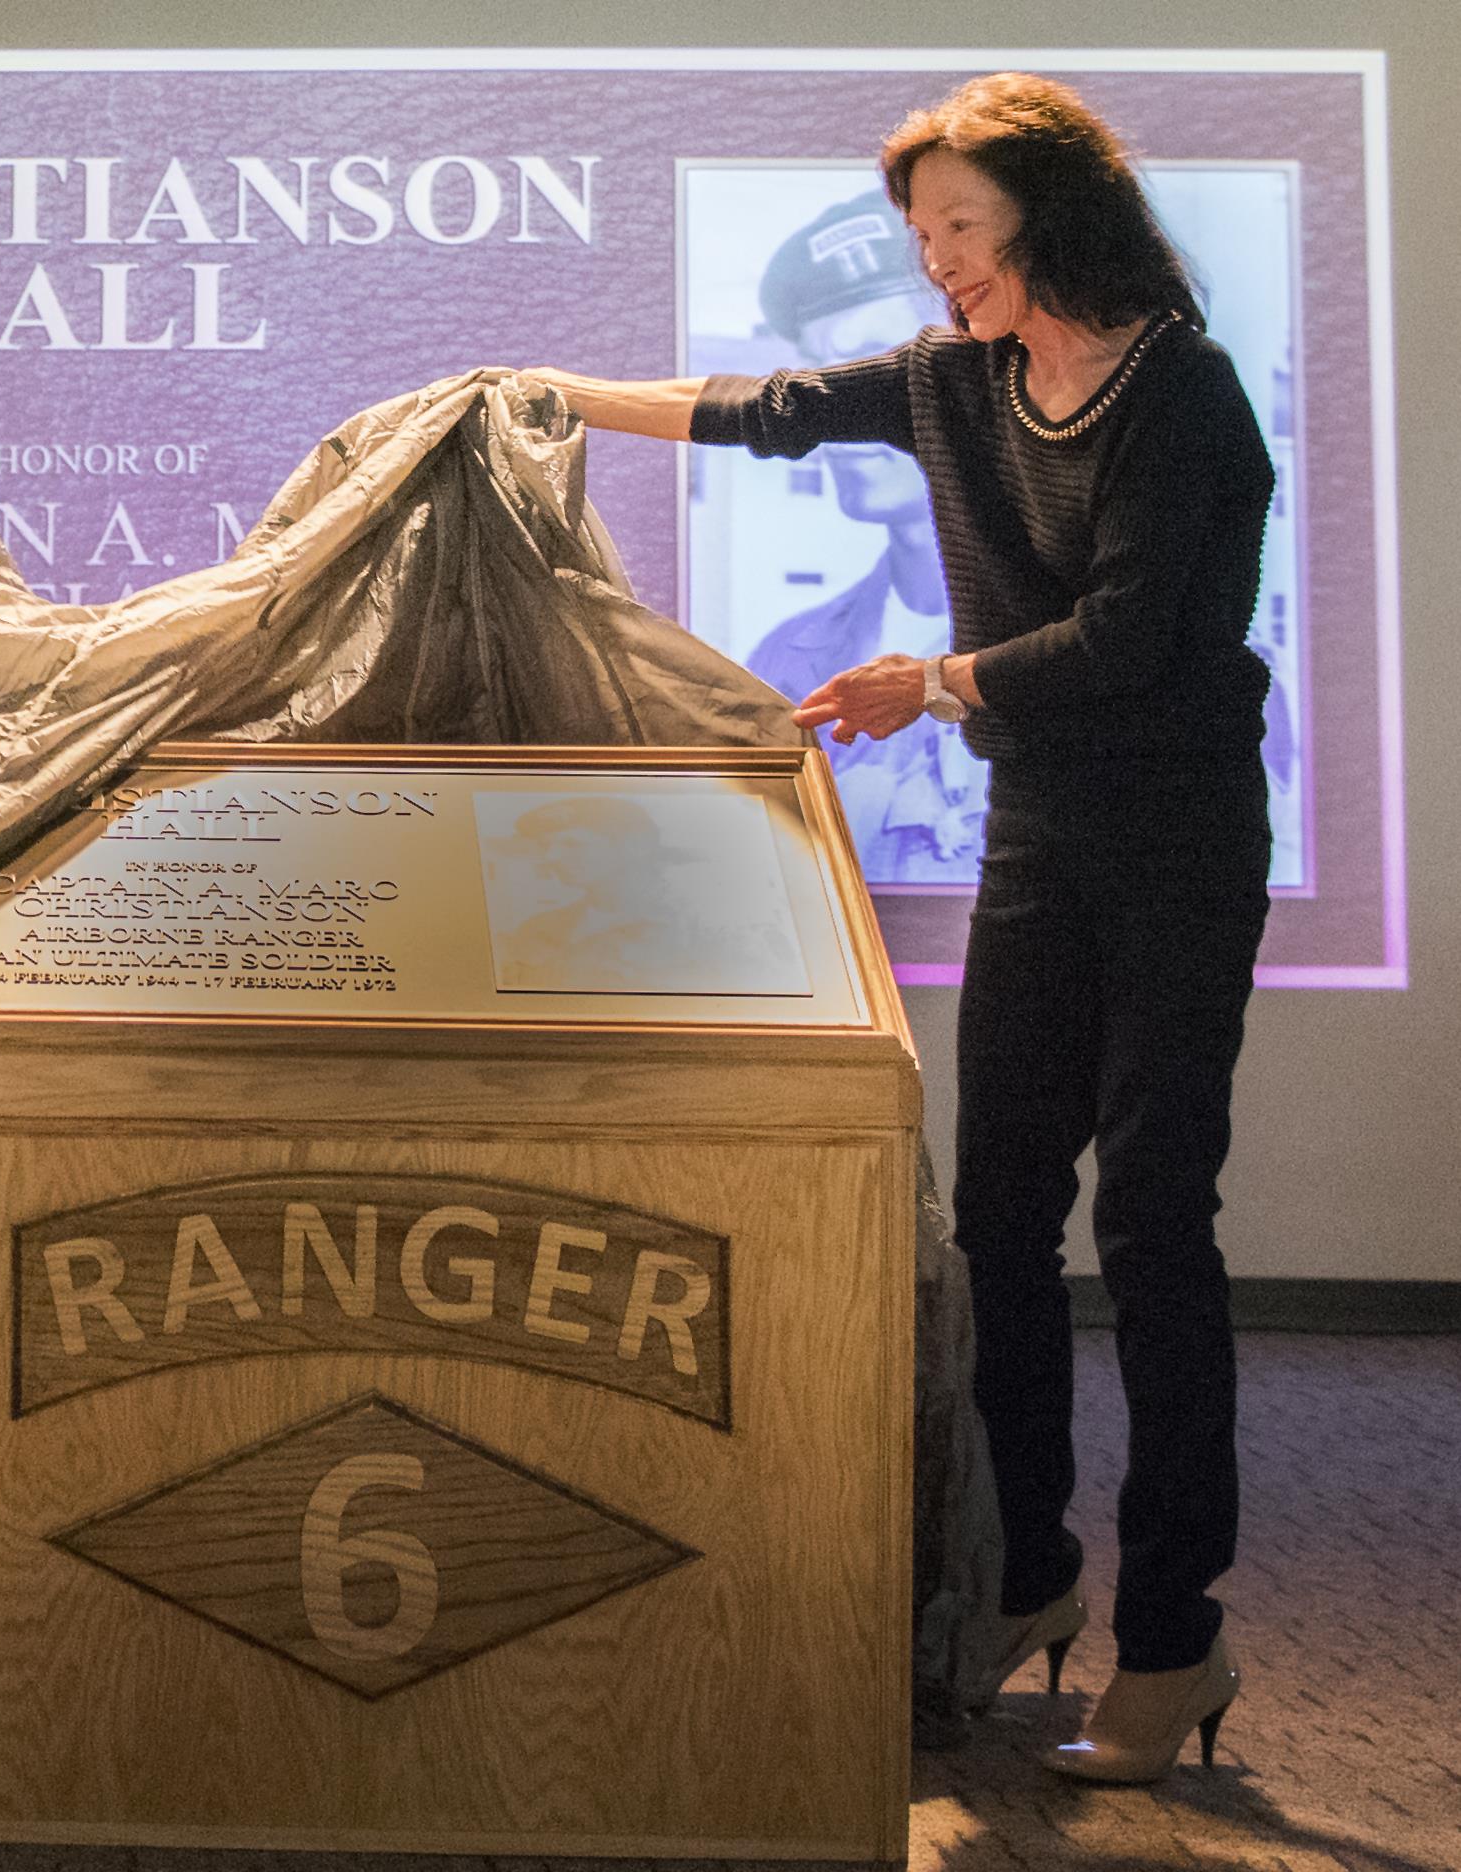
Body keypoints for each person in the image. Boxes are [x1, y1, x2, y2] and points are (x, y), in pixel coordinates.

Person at [531, 71, 1273, 1781]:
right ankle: (1026, 1572)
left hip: (1177, 839)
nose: (937, 261)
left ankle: (1175, 1637)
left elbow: (1138, 637)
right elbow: (763, 407)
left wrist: (928, 682)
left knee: (1155, 1221)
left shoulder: (1189, 392)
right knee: (1003, 1213)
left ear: (1052, 214)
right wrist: (550, 396)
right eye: (920, 232)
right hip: (1041, 832)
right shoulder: (954, 379)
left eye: (961, 225)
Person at [739, 190, 988, 882]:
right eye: (821, 379)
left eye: (872, 375)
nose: (834, 419)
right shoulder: (790, 660)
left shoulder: (1111, 635)